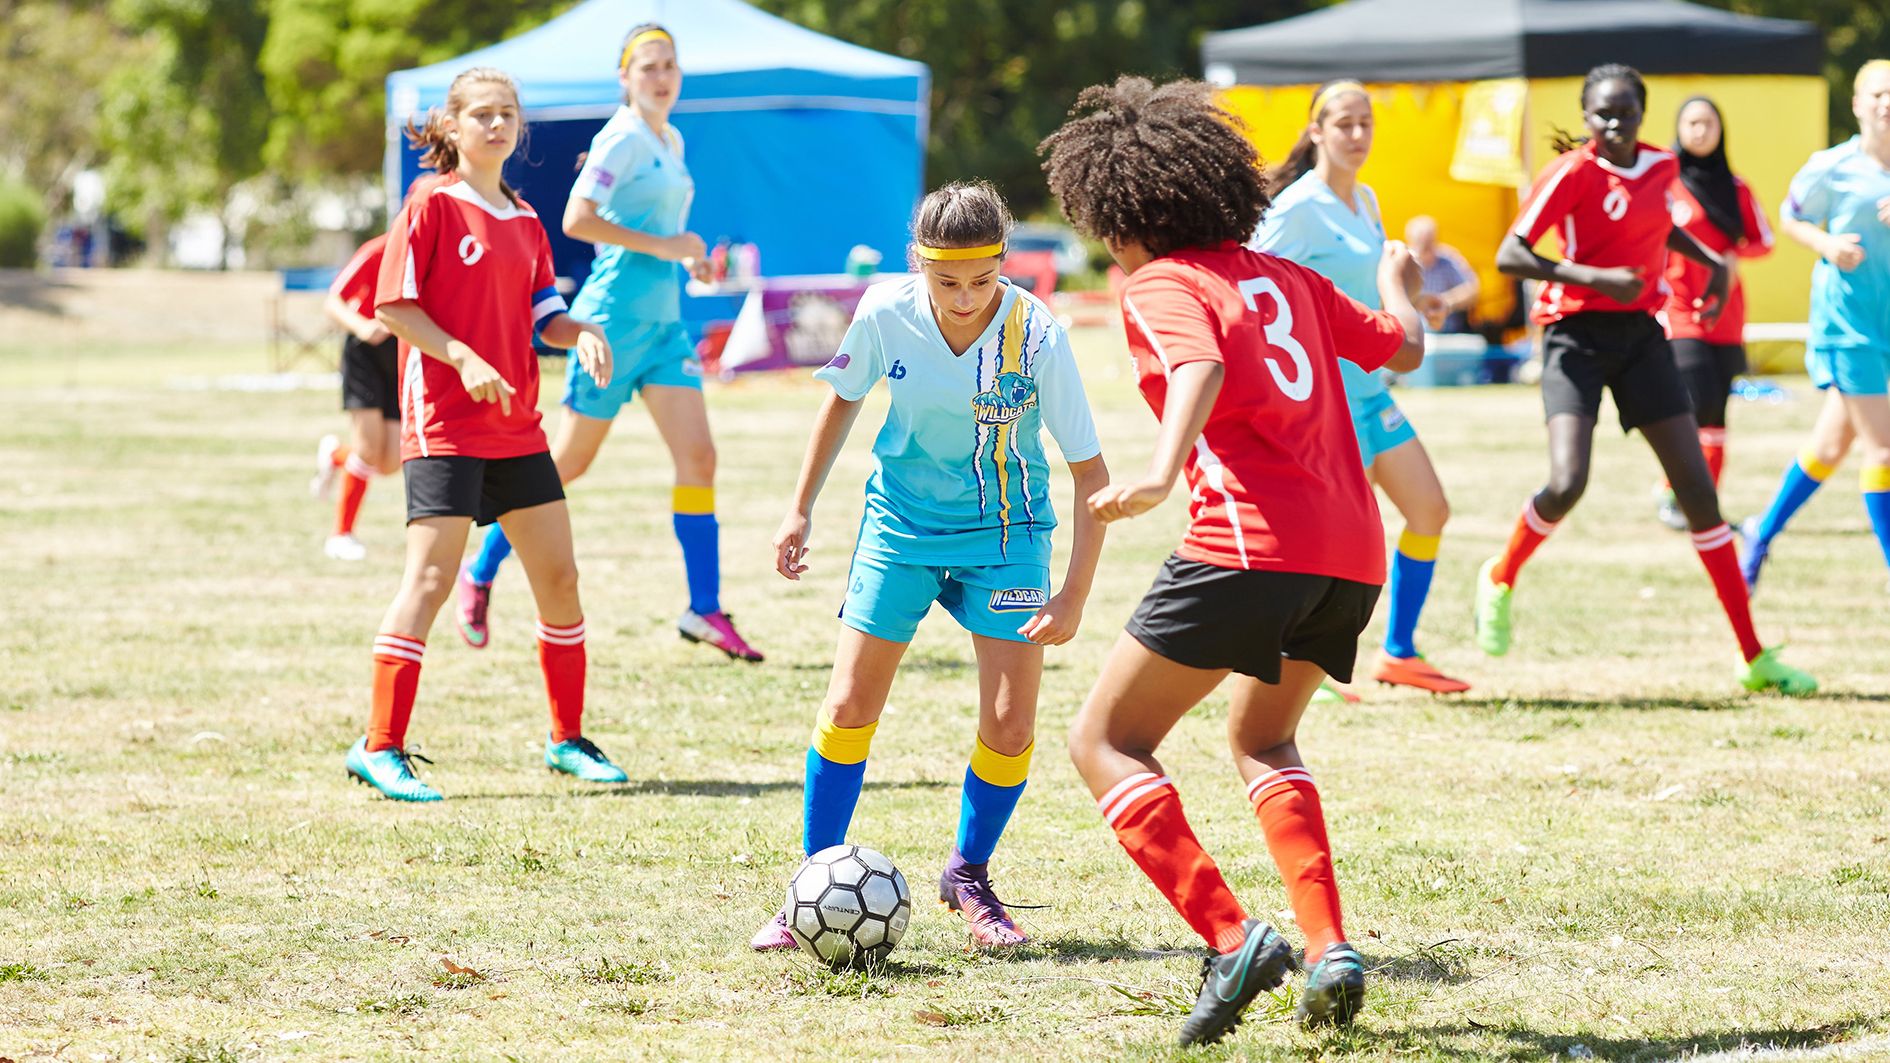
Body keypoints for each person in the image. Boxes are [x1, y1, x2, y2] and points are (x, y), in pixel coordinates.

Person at [1043, 75, 1428, 1039]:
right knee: (1264, 740)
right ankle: (1330, 946)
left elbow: (1200, 365)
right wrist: (1394, 283)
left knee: (1103, 741)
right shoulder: (1290, 276)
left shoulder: (1163, 281)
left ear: (1120, 209)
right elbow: (1403, 348)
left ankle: (1230, 938)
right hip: (1350, 551)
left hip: (1248, 545)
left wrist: (1160, 472)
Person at [748, 181, 1107, 951]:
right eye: (947, 282)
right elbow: (841, 398)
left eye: (983, 279)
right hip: (901, 526)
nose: (967, 297)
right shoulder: (885, 310)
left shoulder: (1038, 333)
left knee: (1010, 723)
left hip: (1004, 533)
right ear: (919, 264)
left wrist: (1075, 592)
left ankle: (969, 874)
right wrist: (799, 505)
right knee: (848, 704)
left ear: (1003, 263)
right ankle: (813, 880)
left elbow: (1090, 471)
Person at [1479, 63, 1815, 695]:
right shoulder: (1573, 172)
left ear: (1641, 115)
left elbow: (1664, 225)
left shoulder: (1661, 167)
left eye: (1624, 114)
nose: (1612, 125)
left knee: (1699, 498)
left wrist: (1711, 262)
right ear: (1585, 118)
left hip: (1640, 338)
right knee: (1567, 481)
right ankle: (1499, 576)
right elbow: (1511, 255)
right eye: (1601, 115)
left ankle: (1753, 655)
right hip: (1573, 337)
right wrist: (1593, 278)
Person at [344, 66, 630, 802]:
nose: (496, 125)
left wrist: (582, 332)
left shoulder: (527, 220)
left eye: (507, 114)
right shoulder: (430, 204)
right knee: (431, 580)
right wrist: (462, 354)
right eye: (481, 114)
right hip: (443, 423)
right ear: (453, 125)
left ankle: (567, 739)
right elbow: (393, 307)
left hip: (516, 428)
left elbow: (543, 317)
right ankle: (380, 746)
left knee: (559, 579)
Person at [457, 24, 762, 662]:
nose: (661, 75)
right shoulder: (619, 137)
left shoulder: (669, 138)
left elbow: (658, 232)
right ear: (624, 77)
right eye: (648, 66)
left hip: (663, 326)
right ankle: (480, 569)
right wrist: (665, 247)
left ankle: (703, 609)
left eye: (669, 65)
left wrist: (692, 262)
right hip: (611, 325)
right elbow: (576, 219)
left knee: (699, 459)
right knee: (566, 465)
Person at [1249, 79, 1469, 694]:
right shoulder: (1295, 207)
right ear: (1315, 131)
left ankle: (1397, 651)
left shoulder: (1366, 199)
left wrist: (1414, 299)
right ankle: (1296, 663)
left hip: (1370, 389)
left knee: (1429, 511)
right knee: (1336, 543)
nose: (1356, 135)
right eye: (1343, 123)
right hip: (1324, 403)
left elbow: (1363, 288)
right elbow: (1249, 285)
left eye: (1365, 123)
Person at [1742, 60, 1890, 594]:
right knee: (1885, 450)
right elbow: (1789, 217)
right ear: (1856, 104)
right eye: (1877, 93)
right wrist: (1826, 244)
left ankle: (1762, 529)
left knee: (1831, 447)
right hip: (1848, 325)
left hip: (1887, 320)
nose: (1886, 103)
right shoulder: (1834, 166)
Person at [1651, 96, 1774, 531]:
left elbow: (1764, 239)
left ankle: (1700, 506)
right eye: (1691, 122)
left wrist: (1735, 254)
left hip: (1725, 312)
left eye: (1708, 123)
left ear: (1721, 129)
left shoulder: (1736, 188)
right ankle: (1677, 492)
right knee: (1694, 401)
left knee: (1717, 411)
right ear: (1678, 128)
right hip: (1678, 309)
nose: (1700, 131)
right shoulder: (1664, 182)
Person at [310, 234, 401, 562]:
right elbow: (333, 301)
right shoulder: (379, 249)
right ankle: (341, 535)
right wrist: (363, 327)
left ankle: (336, 455)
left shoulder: (442, 253)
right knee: (367, 449)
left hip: (403, 352)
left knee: (388, 463)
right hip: (366, 352)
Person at [1406, 215, 1480, 333]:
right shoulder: (1404, 263)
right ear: (1411, 241)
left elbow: (1472, 289)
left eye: (1430, 242)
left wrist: (1445, 302)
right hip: (1413, 331)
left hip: (1447, 332)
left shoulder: (1447, 259)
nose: (1427, 248)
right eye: (1422, 243)